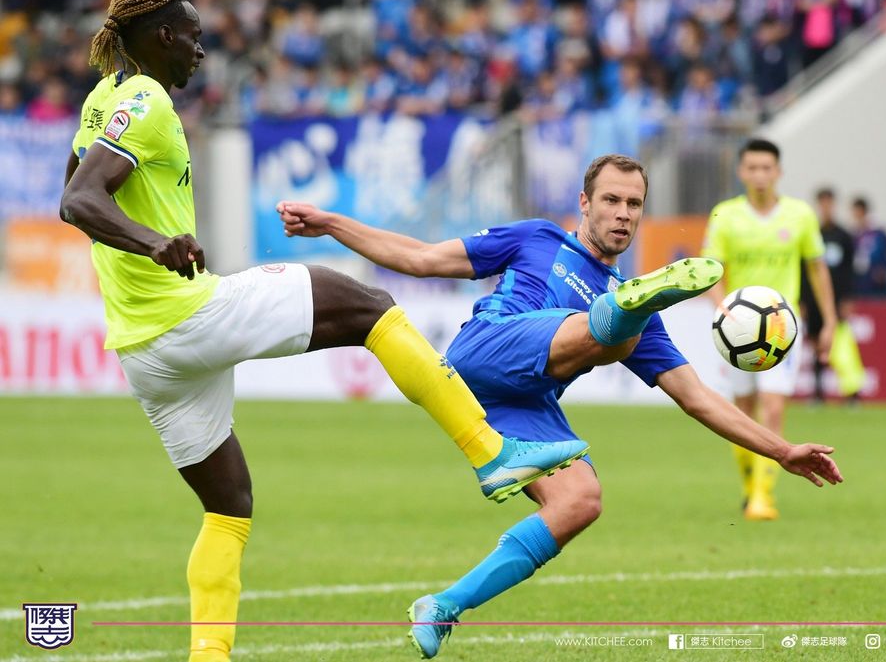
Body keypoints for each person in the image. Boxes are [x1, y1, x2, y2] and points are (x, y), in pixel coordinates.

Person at [59, 0, 588, 661]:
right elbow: (78, 198)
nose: (201, 52)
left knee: (228, 505)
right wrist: (155, 241)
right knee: (366, 305)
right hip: (185, 316)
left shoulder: (103, 97)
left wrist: (139, 239)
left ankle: (208, 656)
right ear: (163, 36)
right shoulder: (145, 97)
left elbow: (75, 187)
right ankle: (491, 451)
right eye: (194, 39)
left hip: (144, 350)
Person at [277, 153, 844, 659]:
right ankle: (612, 312)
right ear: (584, 204)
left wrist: (782, 449)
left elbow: (698, 399)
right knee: (613, 326)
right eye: (612, 201)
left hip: (523, 400)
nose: (624, 213)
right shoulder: (538, 238)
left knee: (580, 500)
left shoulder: (638, 318)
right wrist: (330, 223)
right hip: (486, 350)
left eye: (635, 205)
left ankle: (442, 606)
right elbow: (422, 257)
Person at [702, 138, 838, 522]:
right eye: (753, 167)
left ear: (778, 172)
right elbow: (713, 272)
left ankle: (764, 495)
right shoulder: (725, 216)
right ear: (741, 171)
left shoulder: (800, 215)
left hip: (782, 329)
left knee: (774, 408)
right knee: (743, 414)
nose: (760, 174)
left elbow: (816, 267)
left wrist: (829, 320)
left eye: (767, 168)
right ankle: (750, 488)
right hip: (737, 331)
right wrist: (724, 309)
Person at [800, 187, 865, 403]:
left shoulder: (844, 236)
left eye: (829, 203)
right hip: (813, 299)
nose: (826, 207)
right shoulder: (812, 234)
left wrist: (848, 298)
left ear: (833, 205)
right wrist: (803, 300)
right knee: (817, 344)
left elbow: (850, 270)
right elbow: (804, 269)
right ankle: (818, 392)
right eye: (823, 203)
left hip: (837, 300)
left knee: (842, 344)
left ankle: (852, 391)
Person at [851, 195, 886, 299]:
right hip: (860, 284)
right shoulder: (855, 235)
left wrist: (884, 268)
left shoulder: (878, 233)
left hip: (877, 286)